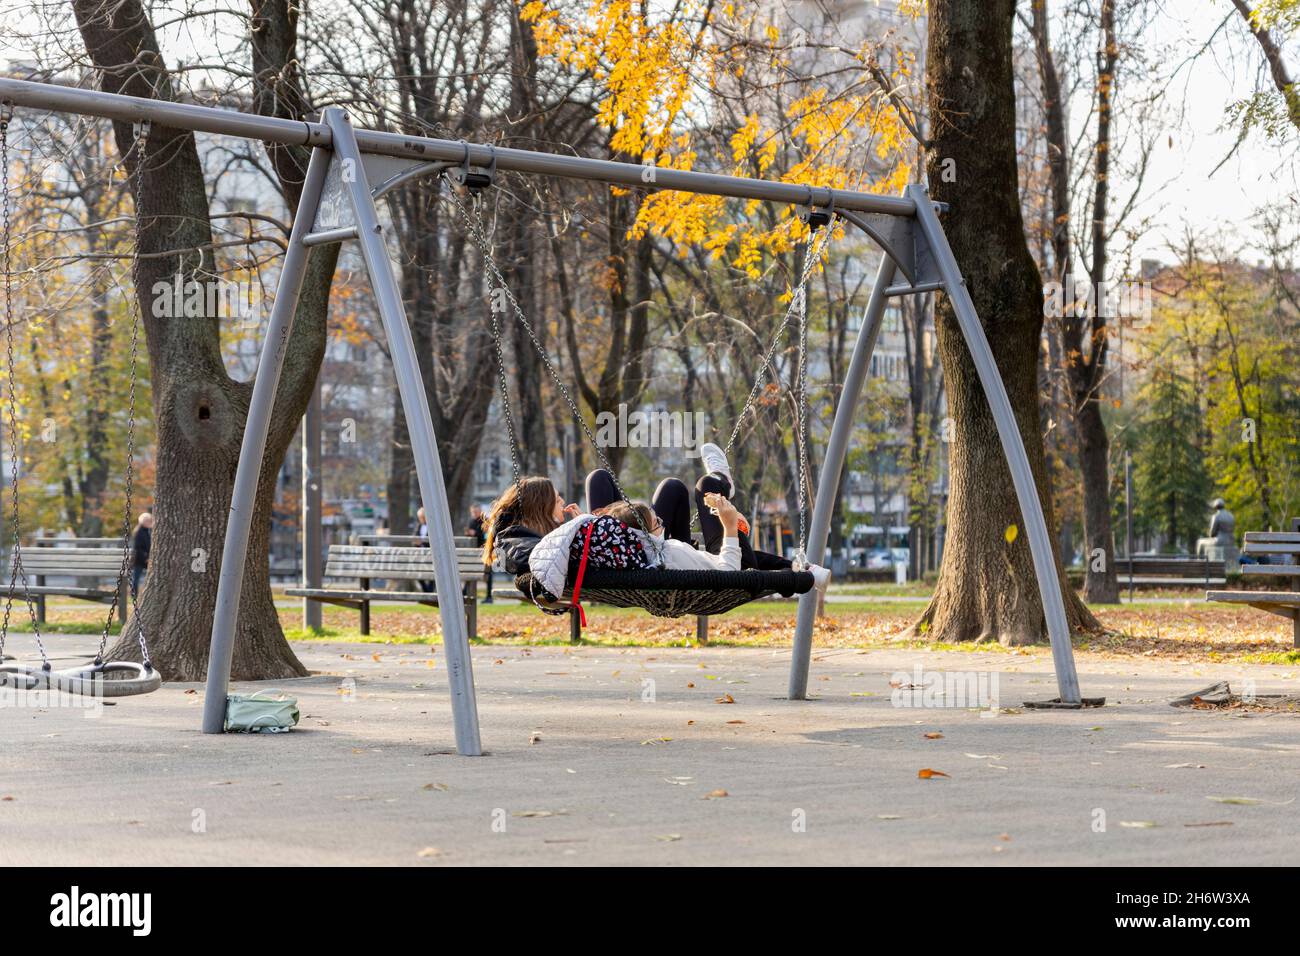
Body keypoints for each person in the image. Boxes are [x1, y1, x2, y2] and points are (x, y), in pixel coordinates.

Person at [483, 476, 580, 575]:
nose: (563, 502)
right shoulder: (526, 549)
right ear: (542, 510)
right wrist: (584, 530)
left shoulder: (538, 542)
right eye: (557, 500)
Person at [465, 503, 493, 602]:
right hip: (474, 551)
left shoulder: (485, 520)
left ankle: (489, 596)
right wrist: (468, 533)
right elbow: (469, 534)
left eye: (475, 512)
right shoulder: (471, 521)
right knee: (470, 571)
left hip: (484, 550)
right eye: (472, 512)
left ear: (480, 511)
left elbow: (486, 535)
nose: (474, 514)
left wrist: (475, 533)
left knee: (488, 573)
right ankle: (465, 593)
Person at [130, 512, 153, 599]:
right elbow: (138, 548)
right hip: (139, 559)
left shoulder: (148, 531)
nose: (150, 522)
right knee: (136, 578)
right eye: (148, 521)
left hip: (147, 558)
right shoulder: (139, 532)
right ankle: (134, 595)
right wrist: (145, 558)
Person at [415, 506, 434, 593]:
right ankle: (426, 591)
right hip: (420, 553)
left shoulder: (432, 525)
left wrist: (422, 542)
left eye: (423, 517)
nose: (421, 519)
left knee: (433, 574)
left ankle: (429, 591)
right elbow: (414, 537)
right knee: (417, 571)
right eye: (420, 518)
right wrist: (416, 542)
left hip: (430, 553)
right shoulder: (419, 526)